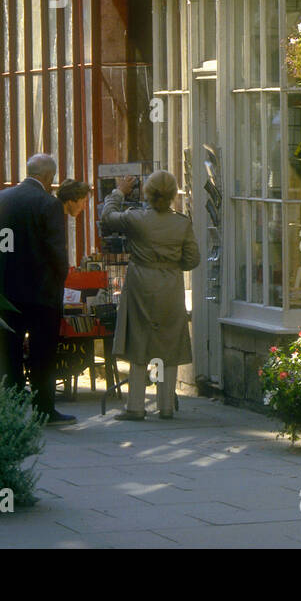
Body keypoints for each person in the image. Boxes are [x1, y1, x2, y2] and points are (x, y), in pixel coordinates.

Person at [100, 171, 199, 421]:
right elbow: (192, 259)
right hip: (170, 284)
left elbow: (108, 217)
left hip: (141, 282)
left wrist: (118, 192)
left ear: (148, 193)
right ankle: (165, 405)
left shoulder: (137, 219)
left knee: (139, 340)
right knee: (168, 342)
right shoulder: (182, 222)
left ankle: (135, 405)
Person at [0, 154, 74, 425]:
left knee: (7, 348)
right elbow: (56, 250)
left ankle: (7, 405)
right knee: (42, 352)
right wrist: (60, 279)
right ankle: (44, 409)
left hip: (5, 288)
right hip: (39, 291)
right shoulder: (49, 204)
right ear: (49, 177)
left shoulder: (3, 198)